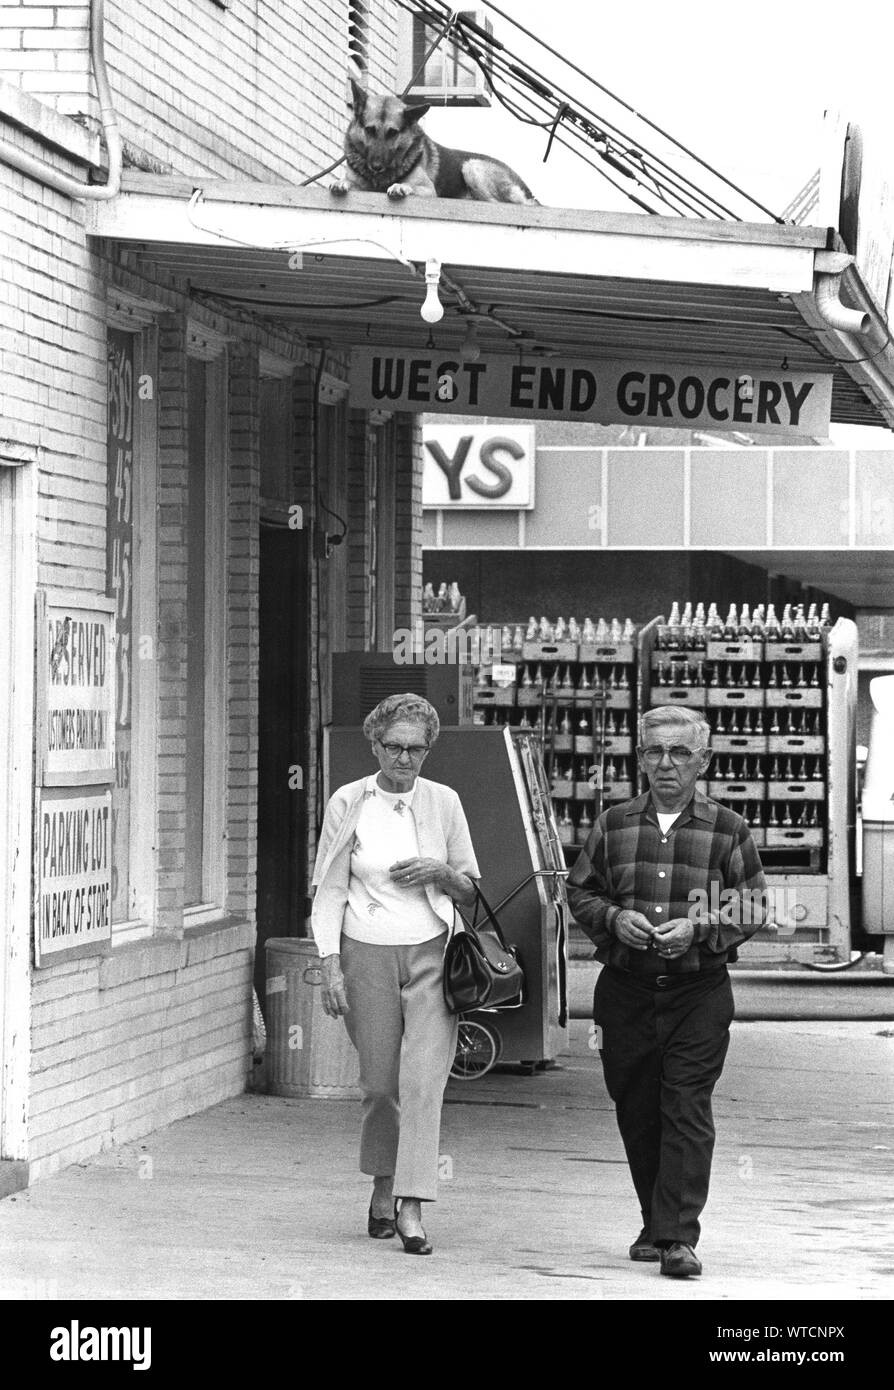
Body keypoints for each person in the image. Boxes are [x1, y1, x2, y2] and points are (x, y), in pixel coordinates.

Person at [566, 705, 768, 1278]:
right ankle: (654, 1222)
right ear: (641, 759)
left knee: (685, 1104)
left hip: (698, 991)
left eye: (681, 752)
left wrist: (699, 929)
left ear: (703, 760)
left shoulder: (728, 828)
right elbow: (580, 892)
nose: (667, 764)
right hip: (624, 989)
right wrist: (612, 919)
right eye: (655, 752)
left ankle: (678, 1237)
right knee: (636, 1106)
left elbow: (752, 902)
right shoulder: (613, 824)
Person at [310, 692, 479, 1255]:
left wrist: (440, 871)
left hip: (433, 951)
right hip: (365, 953)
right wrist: (329, 963)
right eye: (394, 747)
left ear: (429, 749)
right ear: (374, 744)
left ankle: (411, 1205)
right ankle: (382, 1184)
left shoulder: (444, 802)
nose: (404, 759)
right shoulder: (347, 802)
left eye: (416, 748)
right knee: (381, 1085)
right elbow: (330, 890)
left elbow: (473, 889)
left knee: (424, 1081)